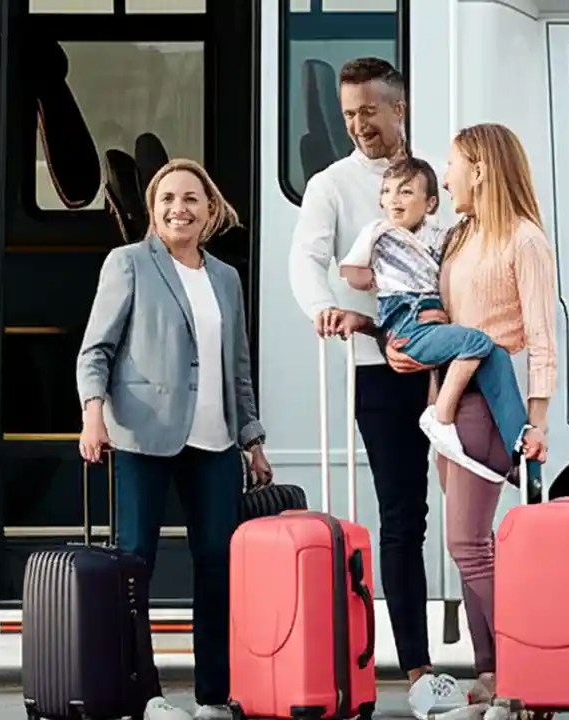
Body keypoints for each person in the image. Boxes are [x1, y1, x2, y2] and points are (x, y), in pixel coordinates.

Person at [287, 57, 467, 720]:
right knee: (402, 515)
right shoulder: (333, 185)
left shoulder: (440, 178)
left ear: (400, 110)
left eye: (370, 111)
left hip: (451, 365)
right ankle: (418, 668)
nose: (360, 125)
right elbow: (307, 257)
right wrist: (320, 311)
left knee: (468, 513)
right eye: (350, 115)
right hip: (378, 368)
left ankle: (500, 661)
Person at [76, 158, 274, 720]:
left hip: (215, 442)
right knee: (134, 565)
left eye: (190, 198)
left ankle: (214, 695)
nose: (177, 208)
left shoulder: (226, 278)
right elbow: (96, 351)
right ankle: (144, 695)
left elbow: (237, 367)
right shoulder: (130, 264)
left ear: (210, 209)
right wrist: (94, 415)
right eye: (166, 199)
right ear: (152, 209)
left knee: (216, 565)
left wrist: (253, 438)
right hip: (142, 436)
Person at [387, 123, 557, 706]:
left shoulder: (525, 240)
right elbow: (434, 311)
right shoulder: (458, 238)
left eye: (454, 164)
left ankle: (528, 660)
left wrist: (536, 421)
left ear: (480, 170)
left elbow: (540, 338)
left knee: (465, 543)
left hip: (487, 402)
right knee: (473, 544)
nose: (447, 175)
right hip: (446, 401)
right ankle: (492, 672)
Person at [337, 157, 533, 481]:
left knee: (492, 351)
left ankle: (518, 451)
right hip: (406, 321)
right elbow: (350, 270)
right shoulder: (378, 232)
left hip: (432, 319)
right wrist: (372, 279)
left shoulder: (439, 236)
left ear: (429, 204)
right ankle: (440, 416)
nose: (394, 199)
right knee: (478, 341)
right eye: (387, 192)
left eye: (405, 192)